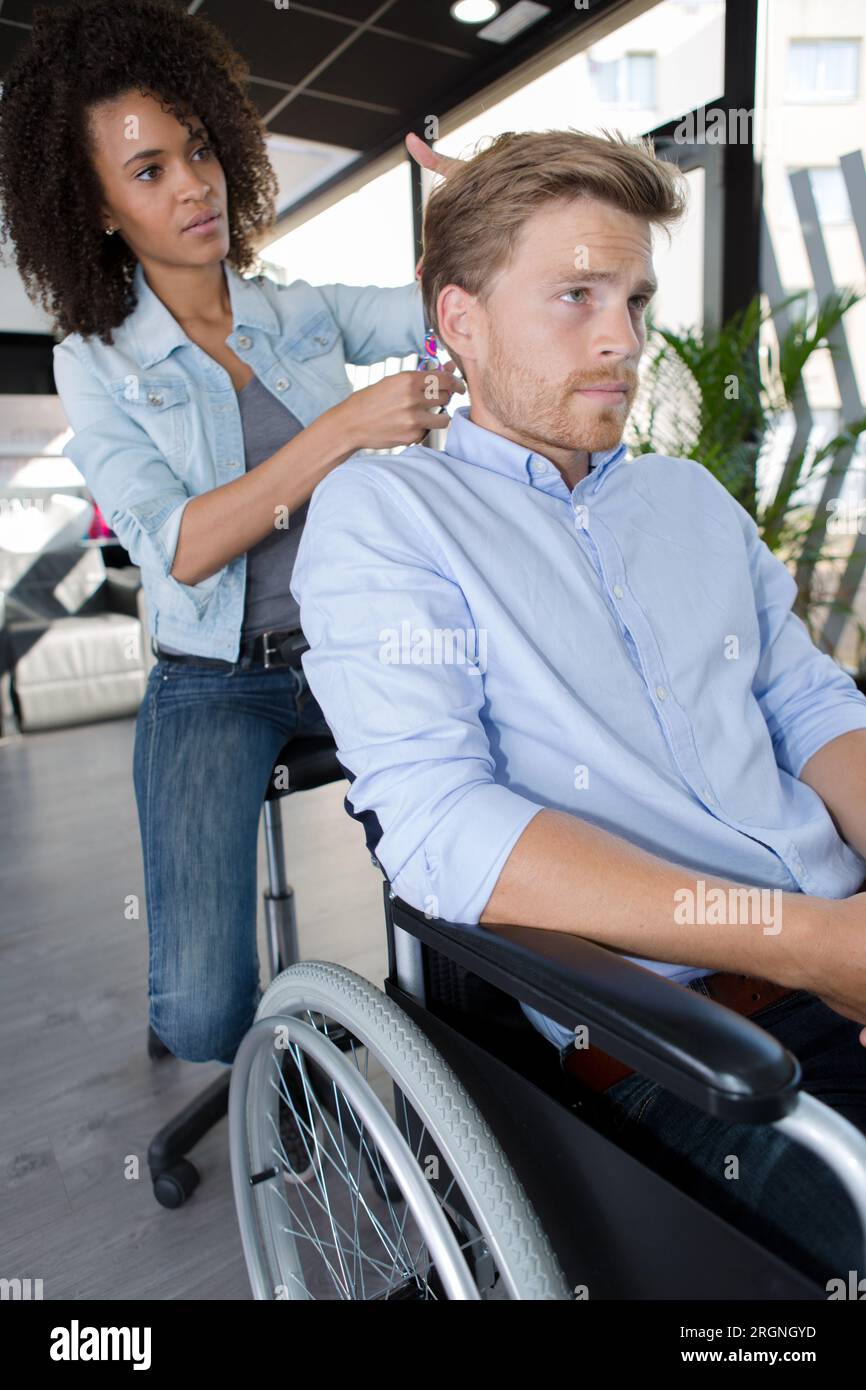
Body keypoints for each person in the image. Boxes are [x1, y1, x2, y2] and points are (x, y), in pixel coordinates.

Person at [290, 126, 866, 1285]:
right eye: (574, 296)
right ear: (459, 320)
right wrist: (807, 943)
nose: (623, 339)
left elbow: (806, 703)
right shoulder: (387, 519)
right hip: (673, 1039)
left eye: (633, 297)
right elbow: (442, 827)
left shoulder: (687, 499)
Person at [0, 0, 464, 1088]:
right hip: (214, 681)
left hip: (348, 651)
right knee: (206, 1013)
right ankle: (271, 1051)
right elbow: (185, 547)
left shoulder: (294, 311)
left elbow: (439, 314)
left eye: (198, 151)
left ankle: (441, 1056)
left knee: (459, 892)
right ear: (99, 207)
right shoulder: (95, 363)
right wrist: (344, 428)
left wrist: (481, 213)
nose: (193, 185)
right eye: (148, 171)